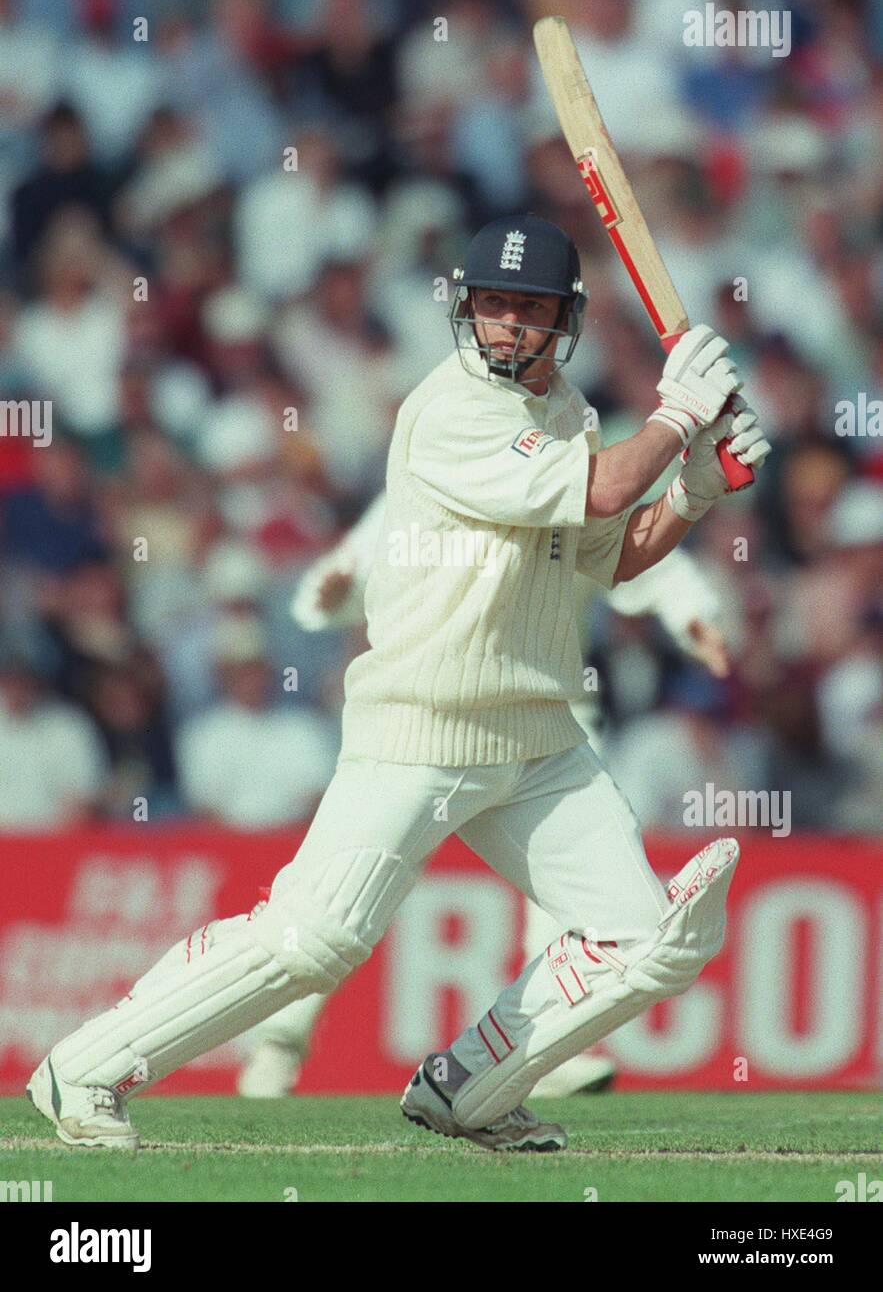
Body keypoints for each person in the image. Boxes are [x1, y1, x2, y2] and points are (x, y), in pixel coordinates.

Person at [28, 213, 770, 1152]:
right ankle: (85, 1069)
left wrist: (697, 483)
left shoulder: (570, 415)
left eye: (527, 309)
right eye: (490, 306)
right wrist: (675, 415)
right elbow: (605, 490)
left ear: (563, 321)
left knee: (650, 942)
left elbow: (614, 552)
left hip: (536, 733)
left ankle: (468, 1092)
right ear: (465, 310)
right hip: (422, 722)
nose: (504, 326)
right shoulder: (452, 408)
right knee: (313, 940)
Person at [237, 490, 731, 1099]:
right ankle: (281, 1039)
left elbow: (641, 548)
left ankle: (540, 1044)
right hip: (441, 713)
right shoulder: (449, 460)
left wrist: (691, 613)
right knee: (366, 876)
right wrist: (338, 584)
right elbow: (380, 542)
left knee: (570, 881)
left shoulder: (573, 477)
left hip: (552, 720)